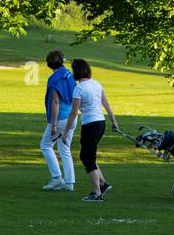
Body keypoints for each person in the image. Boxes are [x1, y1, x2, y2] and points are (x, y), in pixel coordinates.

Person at [63, 59, 119, 202]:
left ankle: (97, 193)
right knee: (87, 155)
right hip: (100, 124)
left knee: (88, 158)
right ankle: (102, 183)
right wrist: (114, 122)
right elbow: (105, 104)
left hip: (90, 125)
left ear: (76, 72)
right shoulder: (97, 84)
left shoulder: (79, 88)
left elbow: (74, 112)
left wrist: (65, 132)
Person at [40, 50, 76, 191]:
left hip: (60, 119)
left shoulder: (54, 79)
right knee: (65, 149)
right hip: (72, 117)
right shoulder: (69, 75)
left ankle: (56, 178)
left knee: (46, 145)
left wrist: (53, 124)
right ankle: (69, 182)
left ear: (49, 64)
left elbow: (55, 102)